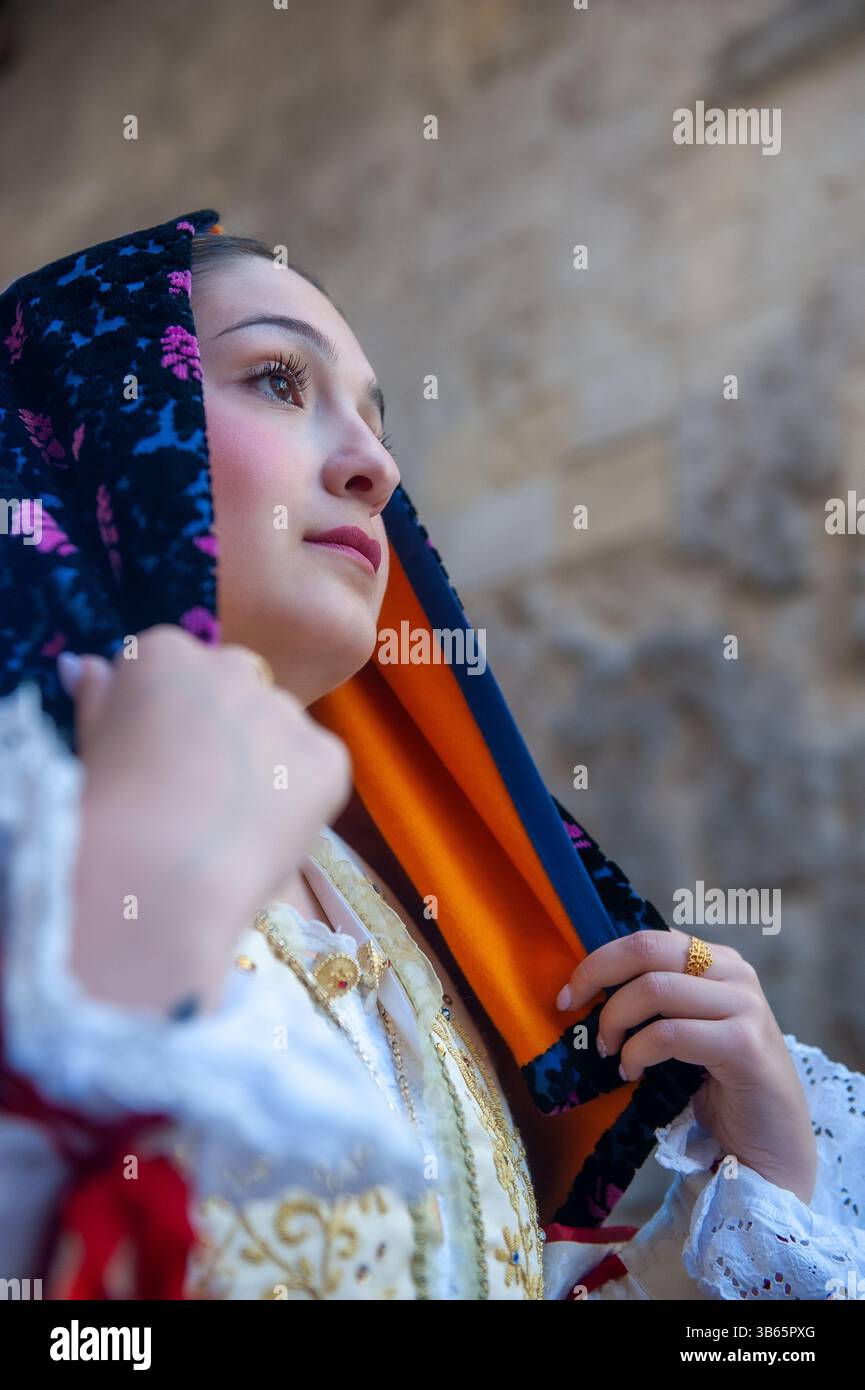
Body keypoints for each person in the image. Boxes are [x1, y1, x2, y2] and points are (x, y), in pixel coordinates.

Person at [0, 210, 862, 1300]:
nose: (374, 467)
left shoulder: (400, 912)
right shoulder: (25, 816)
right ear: (91, 429)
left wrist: (766, 1186)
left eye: (379, 421)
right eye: (276, 378)